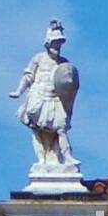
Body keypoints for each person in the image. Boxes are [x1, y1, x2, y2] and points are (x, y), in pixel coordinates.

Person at [10, 20, 79, 168]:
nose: (57, 47)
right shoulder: (38, 59)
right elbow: (28, 77)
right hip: (38, 98)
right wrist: (18, 92)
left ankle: (67, 156)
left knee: (61, 128)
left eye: (59, 44)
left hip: (55, 100)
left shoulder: (63, 63)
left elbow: (68, 82)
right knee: (37, 130)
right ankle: (42, 160)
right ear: (48, 44)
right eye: (55, 43)